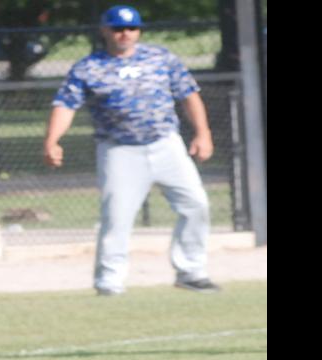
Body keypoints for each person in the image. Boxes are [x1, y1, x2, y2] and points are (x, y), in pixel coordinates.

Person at [43, 5, 219, 296]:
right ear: (104, 31)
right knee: (117, 216)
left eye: (131, 28)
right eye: (117, 28)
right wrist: (52, 140)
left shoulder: (161, 58)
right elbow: (65, 104)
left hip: (165, 143)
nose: (125, 34)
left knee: (196, 204)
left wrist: (203, 133)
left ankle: (192, 271)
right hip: (119, 150)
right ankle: (109, 281)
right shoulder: (89, 67)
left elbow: (188, 94)